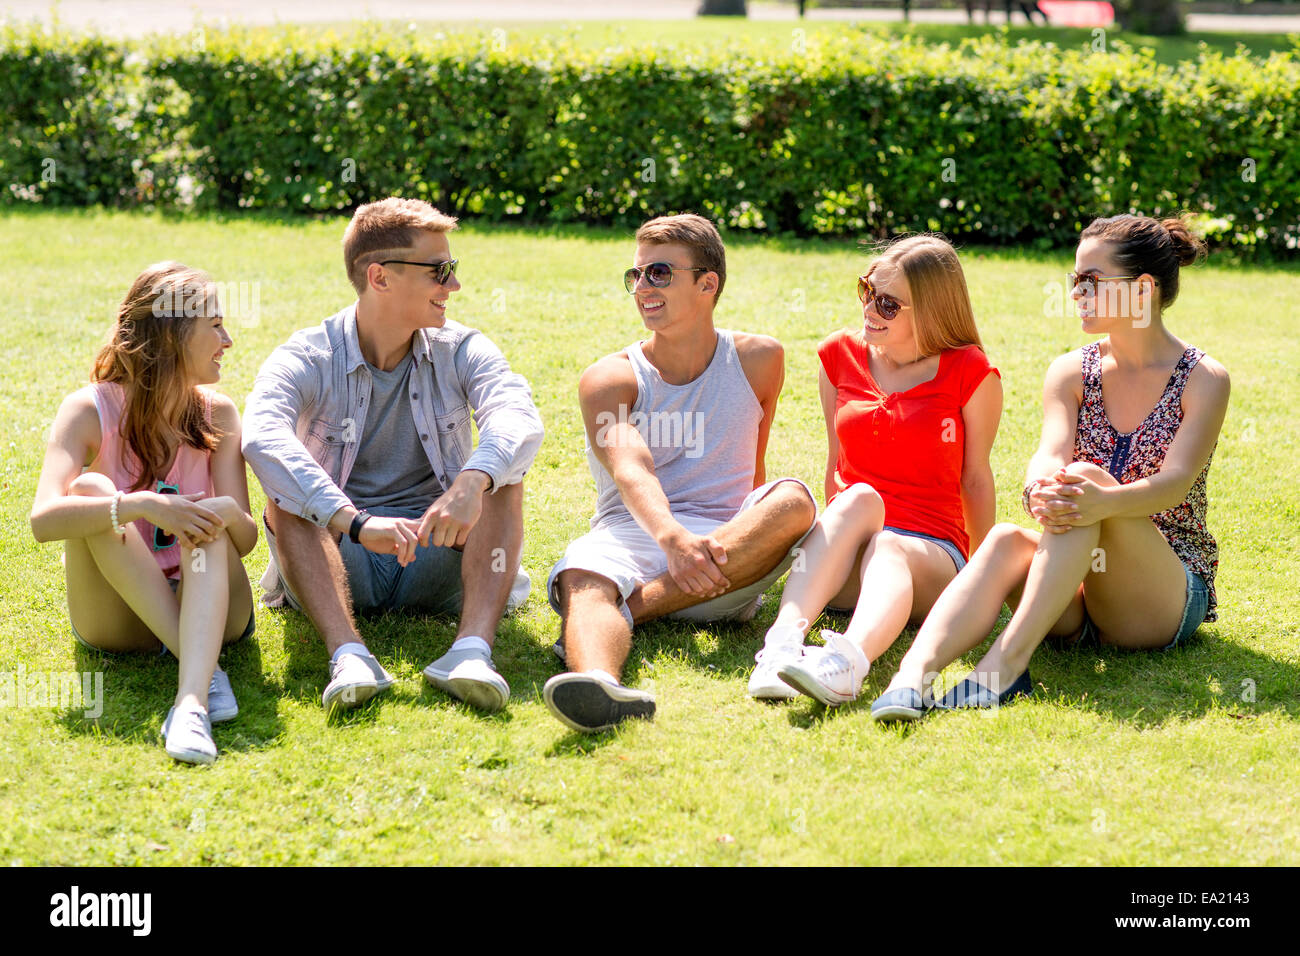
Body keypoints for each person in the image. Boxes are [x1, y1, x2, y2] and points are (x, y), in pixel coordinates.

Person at [871, 214, 1229, 721]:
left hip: (1159, 594)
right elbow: (1050, 452)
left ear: (1143, 288)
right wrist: (1038, 485)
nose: (1077, 293)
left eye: (1092, 281)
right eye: (1075, 281)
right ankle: (911, 677)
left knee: (1086, 481)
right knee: (1001, 540)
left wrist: (1102, 500)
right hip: (1075, 585)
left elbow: (1174, 484)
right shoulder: (1070, 370)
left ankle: (1004, 667)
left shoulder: (1204, 378)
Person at [242, 197, 543, 715]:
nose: (454, 286)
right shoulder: (309, 354)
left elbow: (516, 413)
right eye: (440, 271)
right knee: (286, 494)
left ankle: (470, 652)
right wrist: (354, 522)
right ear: (379, 277)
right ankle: (349, 655)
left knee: (502, 474)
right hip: (341, 556)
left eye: (453, 269)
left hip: (441, 551)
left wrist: (472, 482)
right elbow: (262, 435)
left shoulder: (463, 347)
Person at [543, 213, 818, 733]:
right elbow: (631, 468)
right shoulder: (609, 378)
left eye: (660, 273)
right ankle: (598, 685)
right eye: (636, 275)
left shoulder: (760, 358)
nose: (642, 287)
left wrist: (737, 536)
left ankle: (634, 608)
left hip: (730, 550)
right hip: (638, 535)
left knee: (793, 501)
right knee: (584, 577)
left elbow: (754, 465)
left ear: (707, 283)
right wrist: (672, 538)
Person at [748, 235, 1003, 706]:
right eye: (868, 291)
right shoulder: (837, 354)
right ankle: (780, 645)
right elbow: (835, 466)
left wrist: (983, 581)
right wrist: (833, 547)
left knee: (889, 544)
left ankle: (849, 665)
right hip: (851, 557)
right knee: (858, 497)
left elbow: (975, 479)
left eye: (888, 304)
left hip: (933, 555)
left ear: (930, 310)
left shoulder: (970, 371)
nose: (870, 309)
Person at [30, 262, 258, 765]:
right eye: (215, 325)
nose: (228, 339)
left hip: (216, 604)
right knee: (90, 489)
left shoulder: (218, 413)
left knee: (212, 520)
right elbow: (43, 519)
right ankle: (201, 665)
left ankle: (192, 704)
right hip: (121, 614)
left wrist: (222, 513)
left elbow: (244, 540)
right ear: (174, 336)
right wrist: (142, 505)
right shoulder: (87, 410)